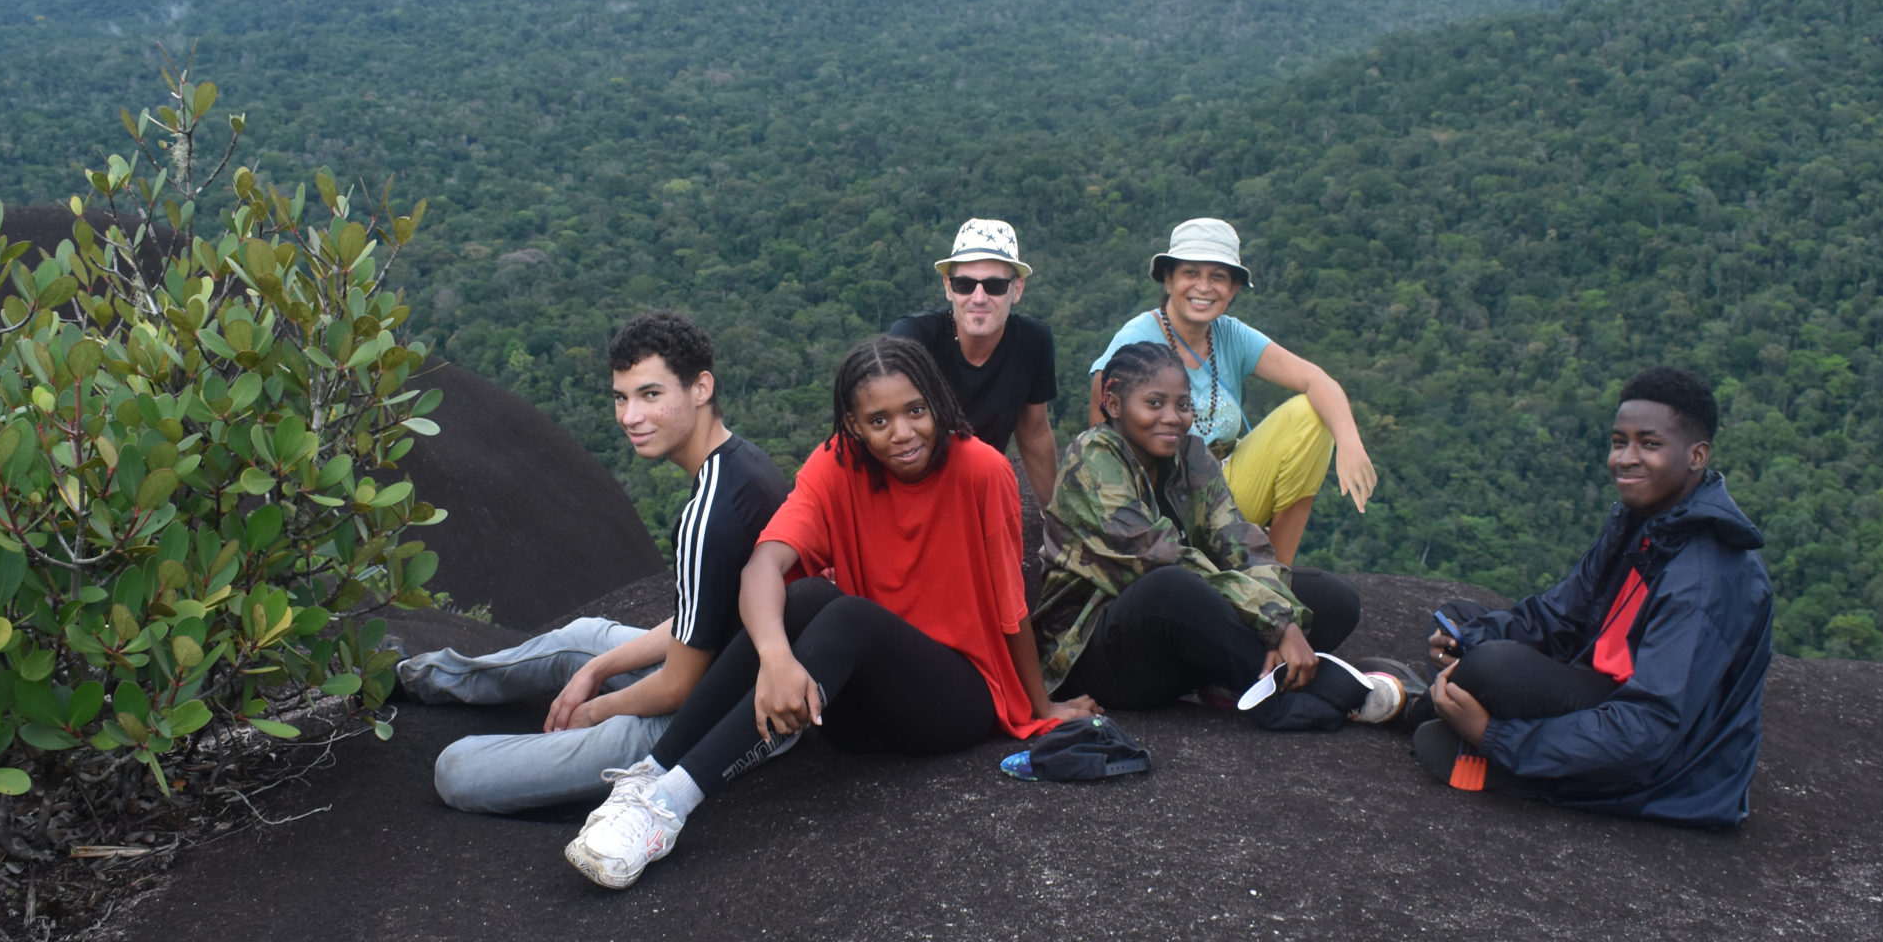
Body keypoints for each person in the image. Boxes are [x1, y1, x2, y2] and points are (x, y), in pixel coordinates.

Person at [564, 336, 1095, 889]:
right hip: (859, 713)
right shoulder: (836, 465)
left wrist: (1041, 708)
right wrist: (774, 657)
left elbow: (1012, 609)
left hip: (957, 701)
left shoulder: (982, 470)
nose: (903, 433)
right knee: (807, 597)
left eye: (916, 411)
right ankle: (647, 778)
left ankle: (668, 808)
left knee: (850, 615)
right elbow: (763, 567)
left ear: (938, 402)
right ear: (854, 424)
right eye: (879, 419)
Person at [414, 311, 788, 814]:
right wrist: (599, 668)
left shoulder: (710, 518)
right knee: (586, 638)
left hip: (723, 717)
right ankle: (428, 677)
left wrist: (597, 710)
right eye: (621, 397)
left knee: (456, 771)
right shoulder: (746, 463)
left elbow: (679, 686)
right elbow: (705, 617)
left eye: (650, 395)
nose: (629, 416)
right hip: (726, 669)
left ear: (701, 388)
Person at [1411, 366, 1772, 827]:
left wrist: (1497, 737)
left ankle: (1468, 738)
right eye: (1619, 441)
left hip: (1665, 763)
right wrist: (1464, 639)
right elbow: (1557, 616)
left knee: (1492, 667)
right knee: (1455, 620)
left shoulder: (1709, 574)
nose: (1626, 458)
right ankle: (1447, 712)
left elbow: (1651, 728)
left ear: (1697, 455)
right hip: (1601, 691)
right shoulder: (1642, 522)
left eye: (1650, 443)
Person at [1037, 341, 1416, 723]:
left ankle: (1245, 678)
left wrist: (1281, 619)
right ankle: (1303, 699)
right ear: (1114, 403)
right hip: (1096, 653)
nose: (1172, 417)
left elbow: (1240, 543)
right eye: (1154, 403)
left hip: (1177, 645)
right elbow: (1152, 560)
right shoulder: (1093, 459)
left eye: (1182, 405)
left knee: (1334, 599)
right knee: (1171, 586)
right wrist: (1275, 622)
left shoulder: (1191, 456)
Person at [1087, 217, 1377, 567]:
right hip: (1164, 501)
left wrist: (1349, 443)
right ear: (1169, 279)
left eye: (1218, 277)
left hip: (1223, 490)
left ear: (1235, 287)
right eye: (1190, 273)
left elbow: (1317, 380)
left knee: (1311, 415)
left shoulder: (1230, 335)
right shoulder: (1136, 340)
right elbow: (1101, 437)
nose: (1204, 287)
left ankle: (1274, 575)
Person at [889, 216, 1058, 571]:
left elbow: (1034, 431)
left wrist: (1057, 519)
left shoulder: (1034, 342)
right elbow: (888, 427)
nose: (978, 298)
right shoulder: (913, 339)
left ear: (1017, 288)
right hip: (913, 485)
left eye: (995, 285)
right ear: (948, 287)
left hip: (980, 489)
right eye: (966, 284)